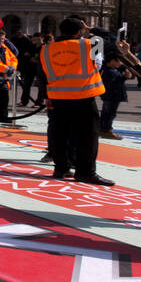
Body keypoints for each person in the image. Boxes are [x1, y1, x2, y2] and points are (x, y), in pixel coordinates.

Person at [41, 17, 113, 186]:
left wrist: (47, 96)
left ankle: (61, 168)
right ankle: (86, 172)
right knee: (88, 136)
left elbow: (43, 74)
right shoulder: (91, 43)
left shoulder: (46, 49)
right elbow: (109, 38)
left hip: (58, 96)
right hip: (83, 95)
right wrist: (92, 29)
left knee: (60, 134)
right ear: (80, 31)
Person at [99, 54, 128, 139]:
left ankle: (103, 129)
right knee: (109, 114)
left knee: (107, 113)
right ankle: (106, 130)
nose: (120, 63)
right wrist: (124, 78)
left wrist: (124, 77)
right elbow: (113, 84)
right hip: (112, 96)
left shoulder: (111, 70)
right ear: (111, 61)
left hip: (111, 96)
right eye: (118, 61)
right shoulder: (109, 72)